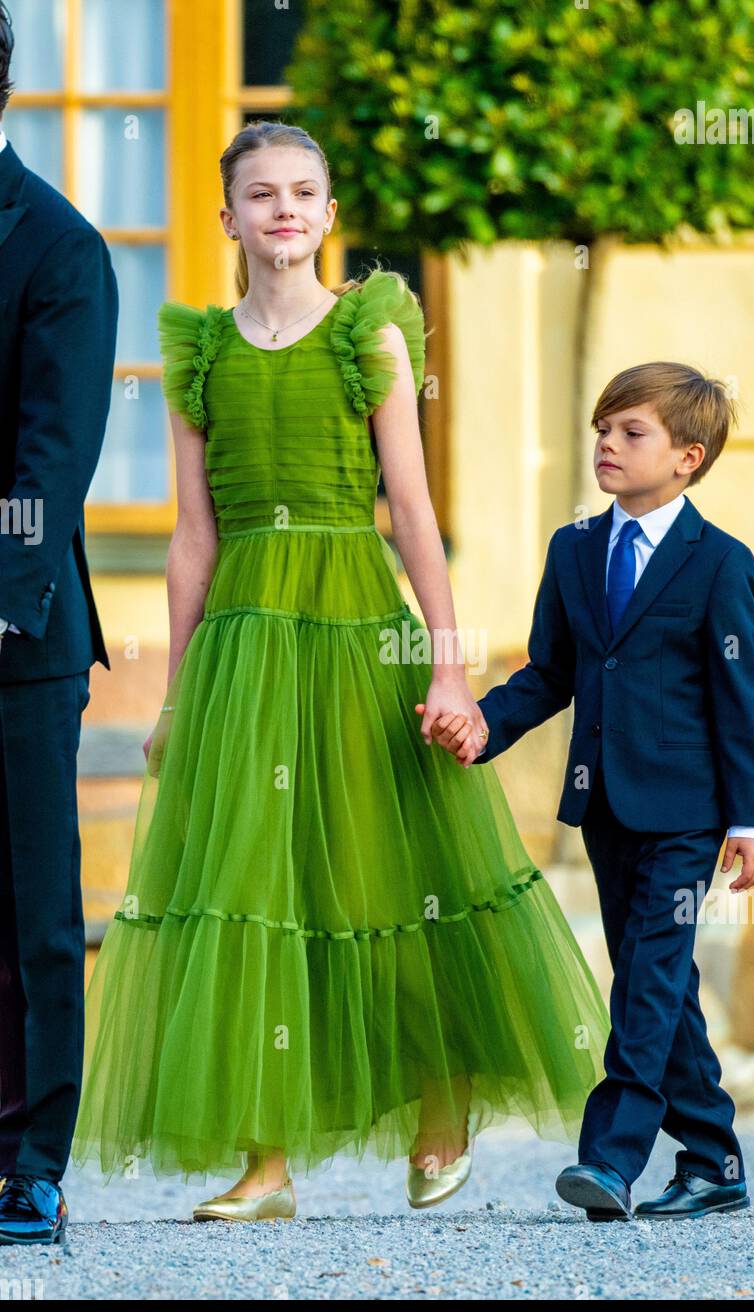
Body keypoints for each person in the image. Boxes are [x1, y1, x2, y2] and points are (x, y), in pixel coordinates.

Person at [70, 121, 610, 1221]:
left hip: (363, 624)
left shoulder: (369, 334)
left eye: (303, 191)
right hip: (245, 644)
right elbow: (190, 538)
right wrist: (179, 694)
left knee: (388, 866)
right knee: (250, 886)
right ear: (226, 217)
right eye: (259, 193)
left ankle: (438, 1105)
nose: (282, 209)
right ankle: (265, 1165)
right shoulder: (201, 351)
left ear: (326, 214)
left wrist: (451, 671)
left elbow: (411, 511)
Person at [426, 362, 754, 1221]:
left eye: (631, 433)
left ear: (688, 458)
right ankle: (715, 1157)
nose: (607, 446)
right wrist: (483, 725)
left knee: (645, 985)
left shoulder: (719, 562)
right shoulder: (575, 549)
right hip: (605, 808)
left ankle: (610, 1161)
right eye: (602, 430)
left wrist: (750, 818)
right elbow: (551, 673)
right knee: (659, 981)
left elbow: (742, 696)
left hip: (688, 814)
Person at [0, 1, 117, 1245]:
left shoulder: (61, 248)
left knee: (29, 911)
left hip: (15, 638)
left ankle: (29, 1162)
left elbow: (51, 460)